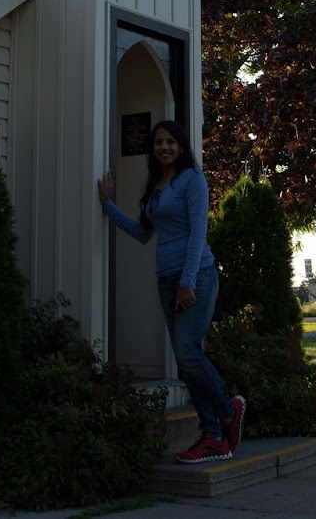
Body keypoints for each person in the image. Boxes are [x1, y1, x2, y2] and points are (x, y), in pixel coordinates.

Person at [98, 119, 245, 464]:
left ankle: (229, 409)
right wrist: (108, 206)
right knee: (185, 360)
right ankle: (212, 437)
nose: (164, 147)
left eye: (170, 142)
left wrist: (188, 282)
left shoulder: (191, 180)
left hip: (194, 277)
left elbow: (198, 234)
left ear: (181, 146)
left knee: (190, 354)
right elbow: (142, 233)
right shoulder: (157, 187)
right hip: (166, 279)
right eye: (158, 142)